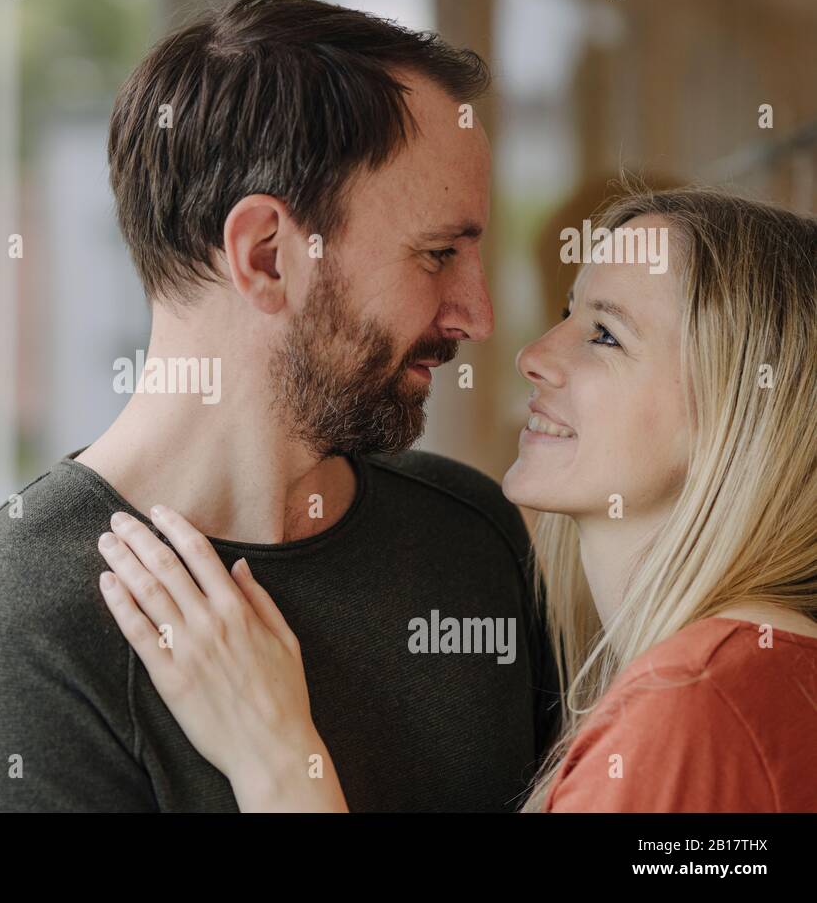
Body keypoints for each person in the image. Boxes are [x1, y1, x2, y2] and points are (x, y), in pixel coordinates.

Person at [0, 0, 561, 812]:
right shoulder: (25, 632)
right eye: (436, 255)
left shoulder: (473, 538)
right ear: (265, 256)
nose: (479, 314)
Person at [93, 187, 817, 811]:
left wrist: (276, 763)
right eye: (568, 312)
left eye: (604, 334)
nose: (535, 354)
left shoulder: (695, 710)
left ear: (742, 410)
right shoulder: (757, 678)